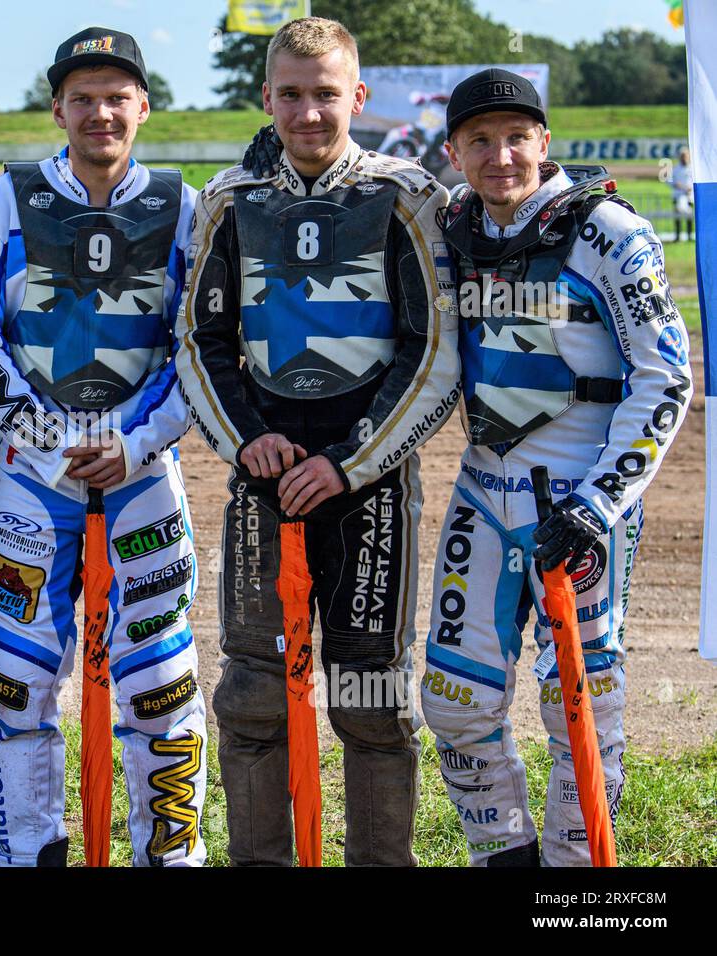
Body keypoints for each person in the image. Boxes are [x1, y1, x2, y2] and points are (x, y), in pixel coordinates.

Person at [176, 16, 460, 866]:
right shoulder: (230, 201)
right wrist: (246, 444)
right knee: (254, 695)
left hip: (370, 486)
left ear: (358, 97)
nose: (308, 112)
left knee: (373, 698)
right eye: (291, 94)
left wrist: (351, 463)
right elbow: (200, 342)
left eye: (326, 93)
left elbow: (434, 350)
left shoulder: (407, 195)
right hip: (263, 479)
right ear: (266, 97)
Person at [0, 27, 208, 866]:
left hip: (144, 477)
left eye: (117, 96)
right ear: (57, 107)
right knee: (19, 681)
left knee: (160, 682)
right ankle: (29, 854)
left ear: (144, 106)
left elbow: (205, 344)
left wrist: (139, 443)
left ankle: (169, 856)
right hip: (32, 477)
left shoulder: (189, 208)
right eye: (83, 97)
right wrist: (52, 441)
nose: (101, 111)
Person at [421, 69, 692, 866]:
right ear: (454, 151)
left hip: (582, 502)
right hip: (482, 488)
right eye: (480, 140)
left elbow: (667, 375)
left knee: (579, 703)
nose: (500, 155)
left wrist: (598, 504)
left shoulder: (610, 231)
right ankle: (501, 859)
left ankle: (577, 880)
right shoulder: (453, 224)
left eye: (516, 137)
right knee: (453, 700)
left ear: (544, 141)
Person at [671, 146, 694, 243]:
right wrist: (677, 184)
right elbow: (670, 180)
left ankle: (689, 236)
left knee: (689, 217)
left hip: (689, 197)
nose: (684, 158)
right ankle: (678, 236)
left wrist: (690, 188)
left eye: (686, 156)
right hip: (678, 195)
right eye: (682, 156)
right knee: (677, 218)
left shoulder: (692, 168)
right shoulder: (675, 169)